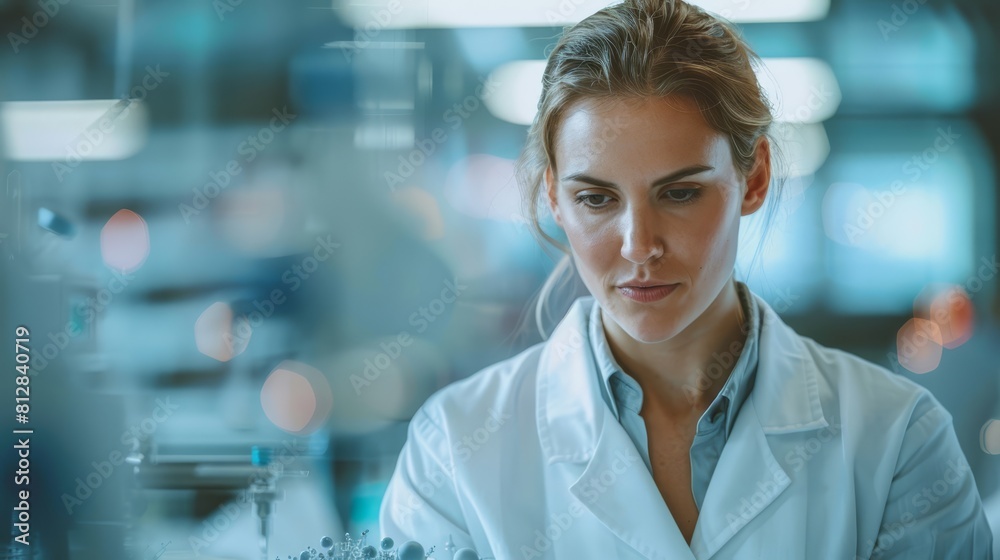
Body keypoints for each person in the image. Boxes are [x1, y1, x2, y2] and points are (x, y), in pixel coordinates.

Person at [378, 0, 994, 558]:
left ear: (753, 179)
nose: (639, 245)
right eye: (596, 198)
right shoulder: (454, 449)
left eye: (679, 193)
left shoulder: (895, 441)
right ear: (554, 200)